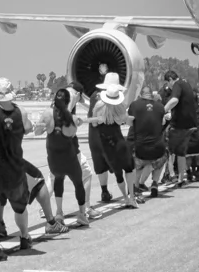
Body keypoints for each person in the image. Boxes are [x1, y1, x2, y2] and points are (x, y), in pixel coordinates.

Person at [0, 77, 64, 254]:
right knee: (20, 207)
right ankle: (25, 237)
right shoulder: (21, 112)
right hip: (14, 169)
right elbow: (27, 127)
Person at [46, 87, 91, 228]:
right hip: (69, 158)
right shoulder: (73, 119)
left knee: (58, 181)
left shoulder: (47, 114)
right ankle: (82, 214)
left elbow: (38, 130)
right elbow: (71, 134)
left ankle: (59, 213)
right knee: (78, 183)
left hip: (54, 159)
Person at [88, 71, 135, 206]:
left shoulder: (93, 96)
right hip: (113, 136)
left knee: (99, 163)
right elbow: (122, 120)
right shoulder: (117, 100)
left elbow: (93, 119)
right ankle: (130, 195)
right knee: (124, 165)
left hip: (94, 135)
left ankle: (104, 191)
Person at [127, 81, 167, 199]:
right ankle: (154, 183)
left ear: (141, 94)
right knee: (161, 159)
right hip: (157, 148)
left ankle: (135, 187)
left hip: (141, 148)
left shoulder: (134, 105)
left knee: (138, 165)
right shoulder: (160, 106)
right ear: (151, 95)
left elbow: (129, 122)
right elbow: (163, 122)